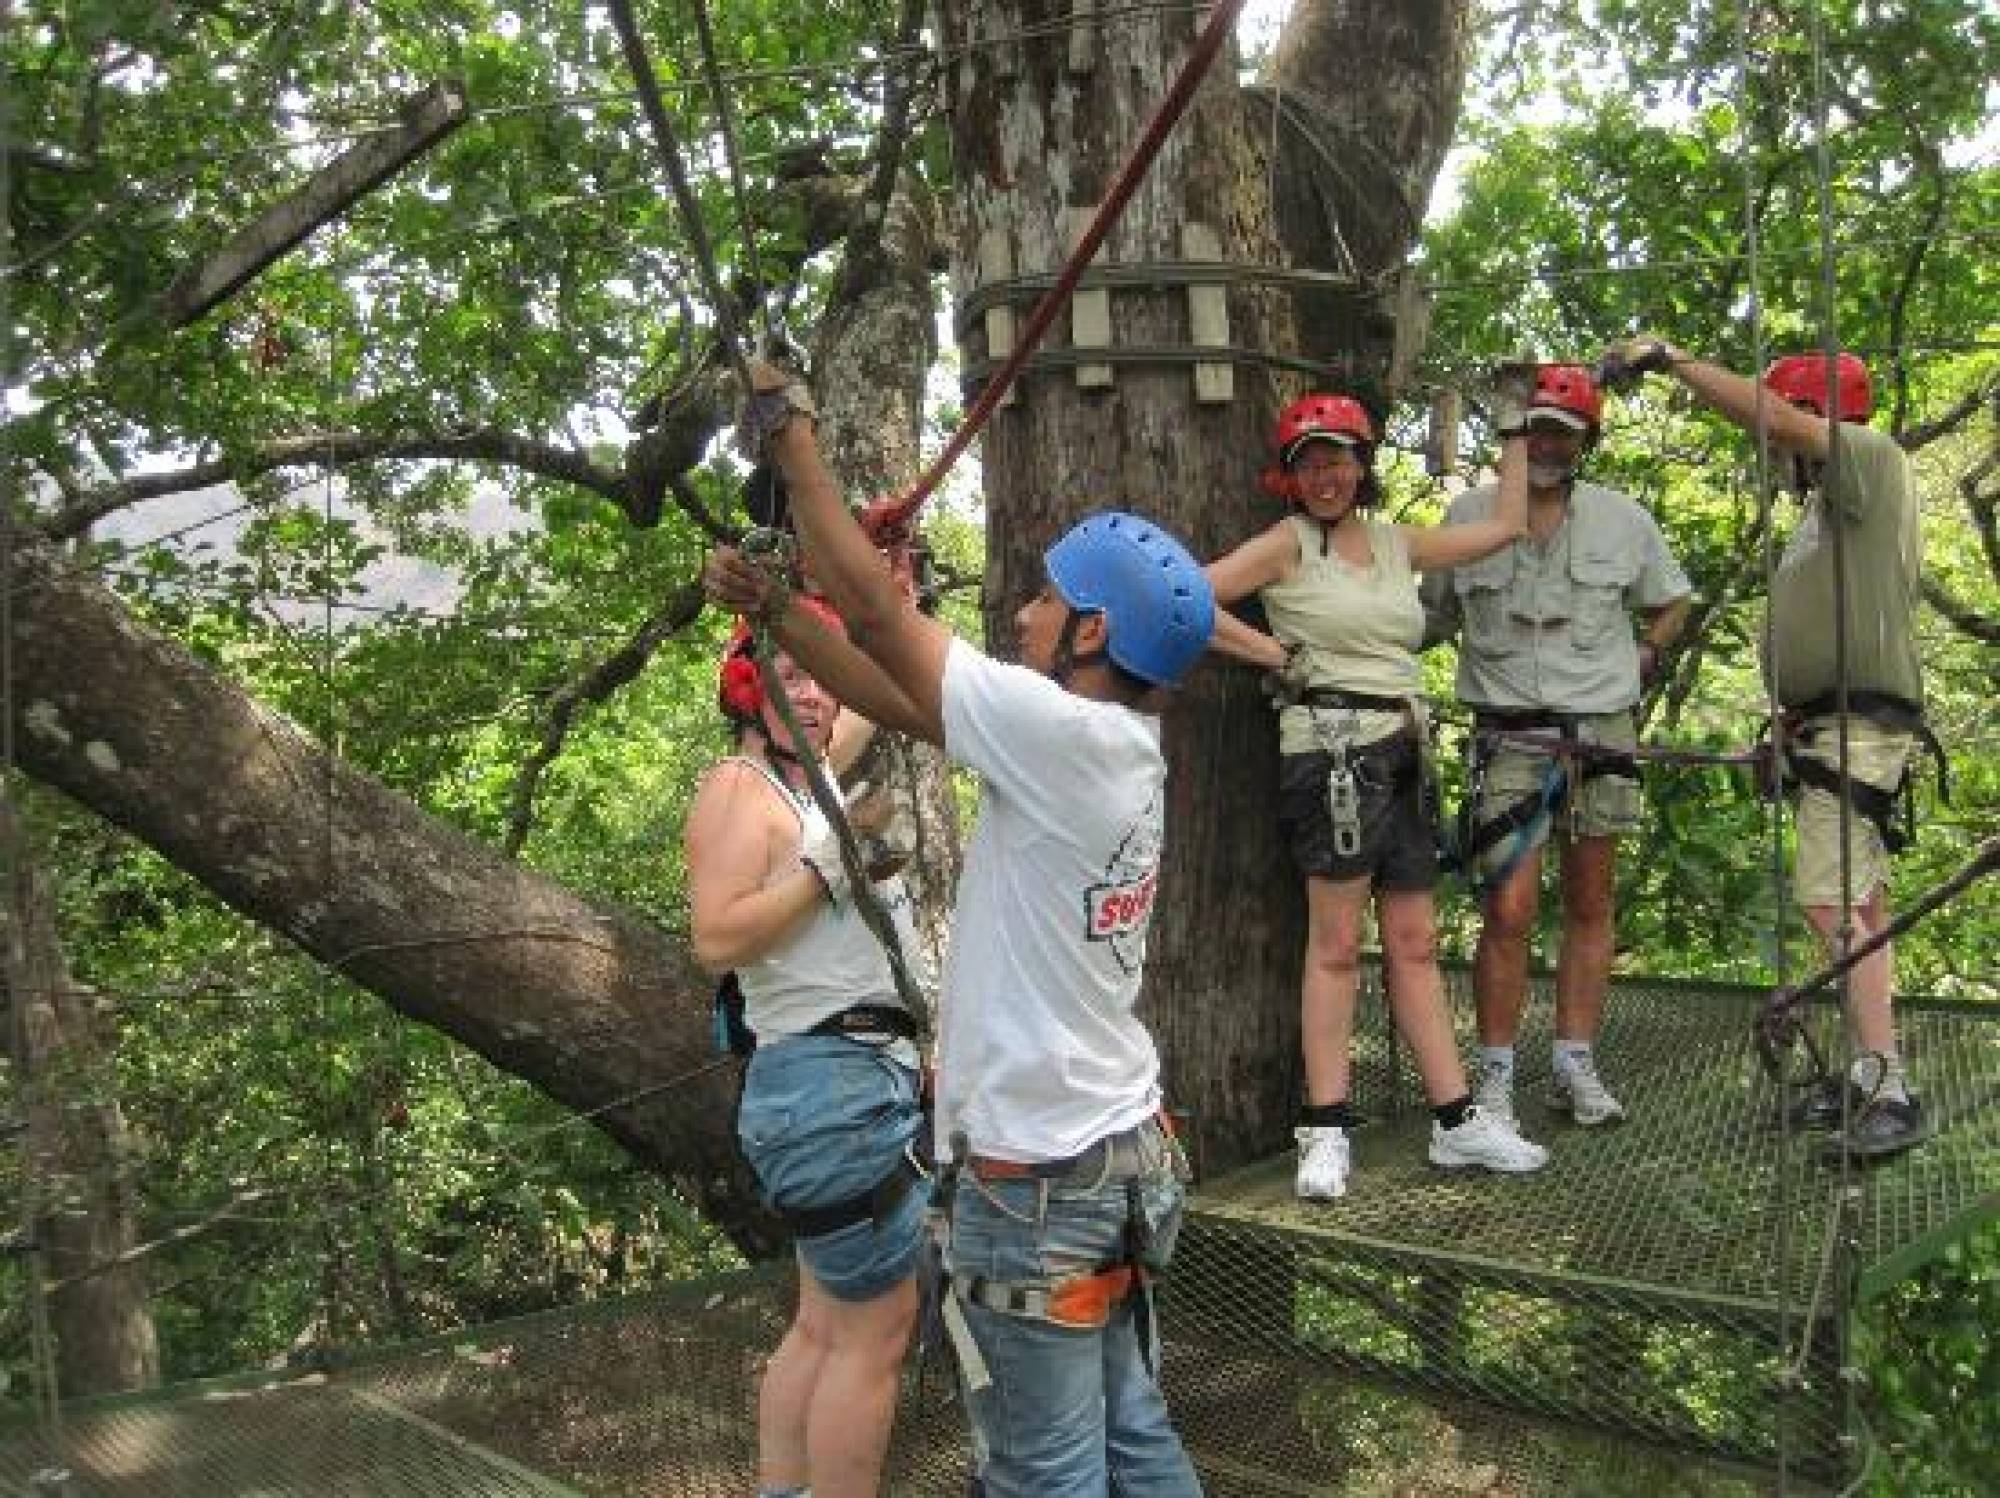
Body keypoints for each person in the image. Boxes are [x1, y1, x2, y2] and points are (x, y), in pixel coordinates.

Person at [705, 362, 1211, 1496]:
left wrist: (793, 435)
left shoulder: (1063, 735)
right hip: (1115, 1149)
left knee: (1042, 1473)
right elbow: (897, 692)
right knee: (1132, 1435)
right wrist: (781, 611)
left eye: (1044, 597)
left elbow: (880, 621)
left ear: (1091, 630)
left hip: (1037, 1176)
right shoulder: (1108, 744)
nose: (1022, 610)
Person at [1204, 388, 1550, 1200]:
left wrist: (1512, 428)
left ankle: (1455, 1121)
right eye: (1310, 465)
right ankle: (1324, 1130)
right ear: (1292, 476)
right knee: (1335, 945)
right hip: (1329, 754)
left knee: (1415, 941)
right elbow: (1181, 594)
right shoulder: (1288, 543)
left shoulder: (1396, 544)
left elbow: (1507, 525)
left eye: (1339, 460)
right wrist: (1271, 654)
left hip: (1401, 750)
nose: (1326, 476)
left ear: (1362, 465)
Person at [1601, 337, 1932, 1161]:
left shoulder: (1869, 458)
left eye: (1785, 432)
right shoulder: (1827, 512)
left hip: (1859, 730)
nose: (1773, 455)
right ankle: (1867, 1070)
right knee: (1860, 905)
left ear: (1820, 416)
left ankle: (1889, 1089)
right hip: (1828, 727)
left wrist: (1670, 360)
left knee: (1828, 901)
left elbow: (1777, 420)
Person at [684, 606, 931, 1498]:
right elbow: (716, 939)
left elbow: (875, 692)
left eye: (821, 675)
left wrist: (891, 599)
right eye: (788, 676)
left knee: (825, 1327)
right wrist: (834, 865)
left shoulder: (809, 775)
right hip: (835, 1091)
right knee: (873, 1337)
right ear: (750, 689)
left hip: (829, 1090)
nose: (813, 692)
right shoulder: (740, 790)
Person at [1420, 364, 1693, 1131]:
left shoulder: (1622, 520)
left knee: (1590, 899)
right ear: (1515, 435)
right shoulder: (1468, 515)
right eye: (1536, 430)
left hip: (1601, 731)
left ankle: (1575, 1062)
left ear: (1586, 442)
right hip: (1509, 733)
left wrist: (1648, 652)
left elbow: (1672, 599)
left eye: (1563, 435)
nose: (1547, 445)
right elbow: (1428, 616)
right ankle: (1496, 1077)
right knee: (1507, 907)